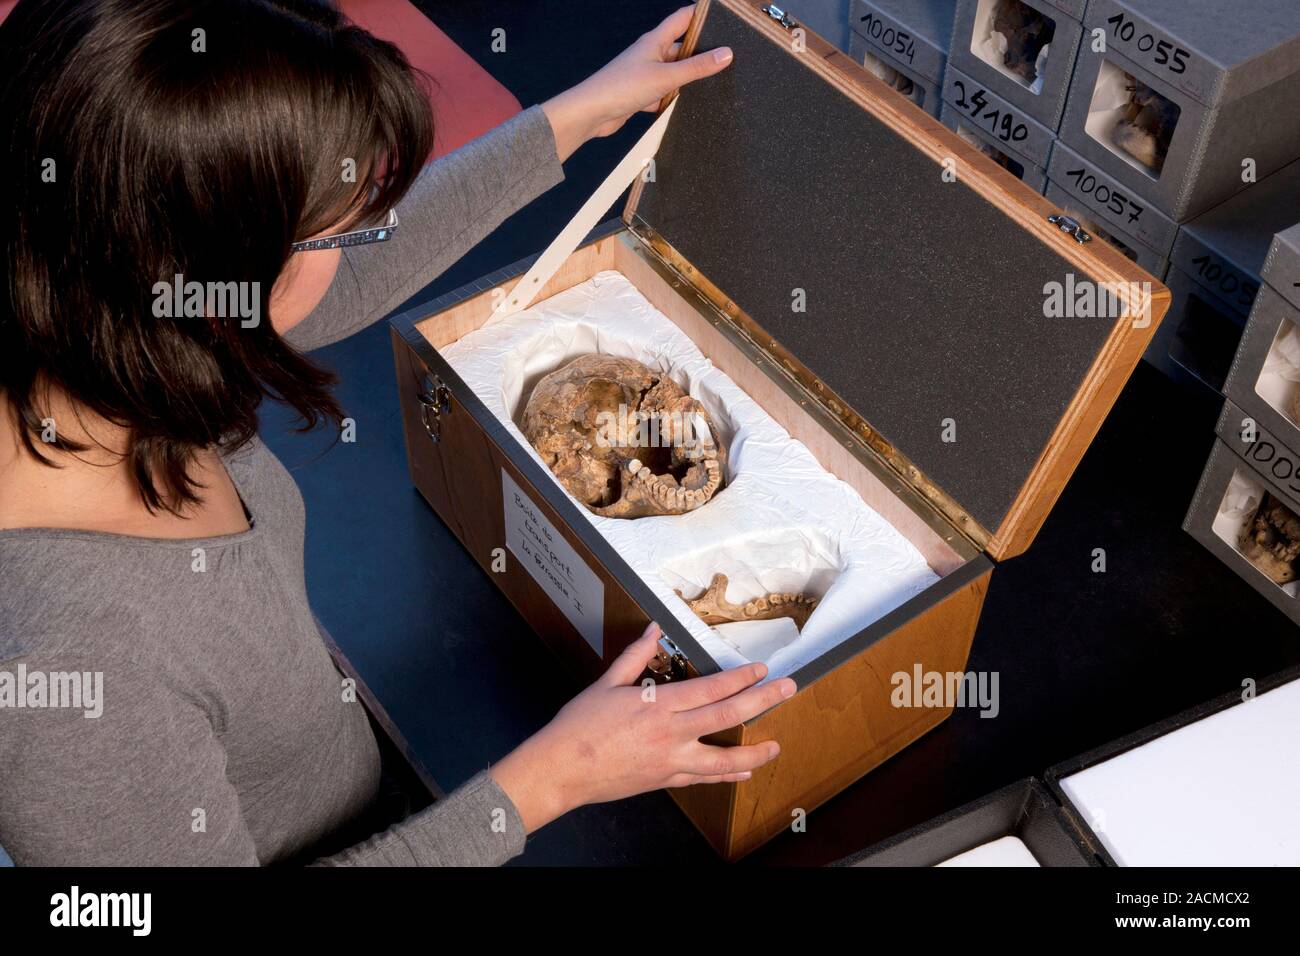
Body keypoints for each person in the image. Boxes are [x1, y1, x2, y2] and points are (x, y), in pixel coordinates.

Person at [0, 0, 796, 866]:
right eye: (330, 228)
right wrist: (550, 782)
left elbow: (321, 283)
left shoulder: (97, 321)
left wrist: (579, 116)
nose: (351, 249)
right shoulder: (68, 684)